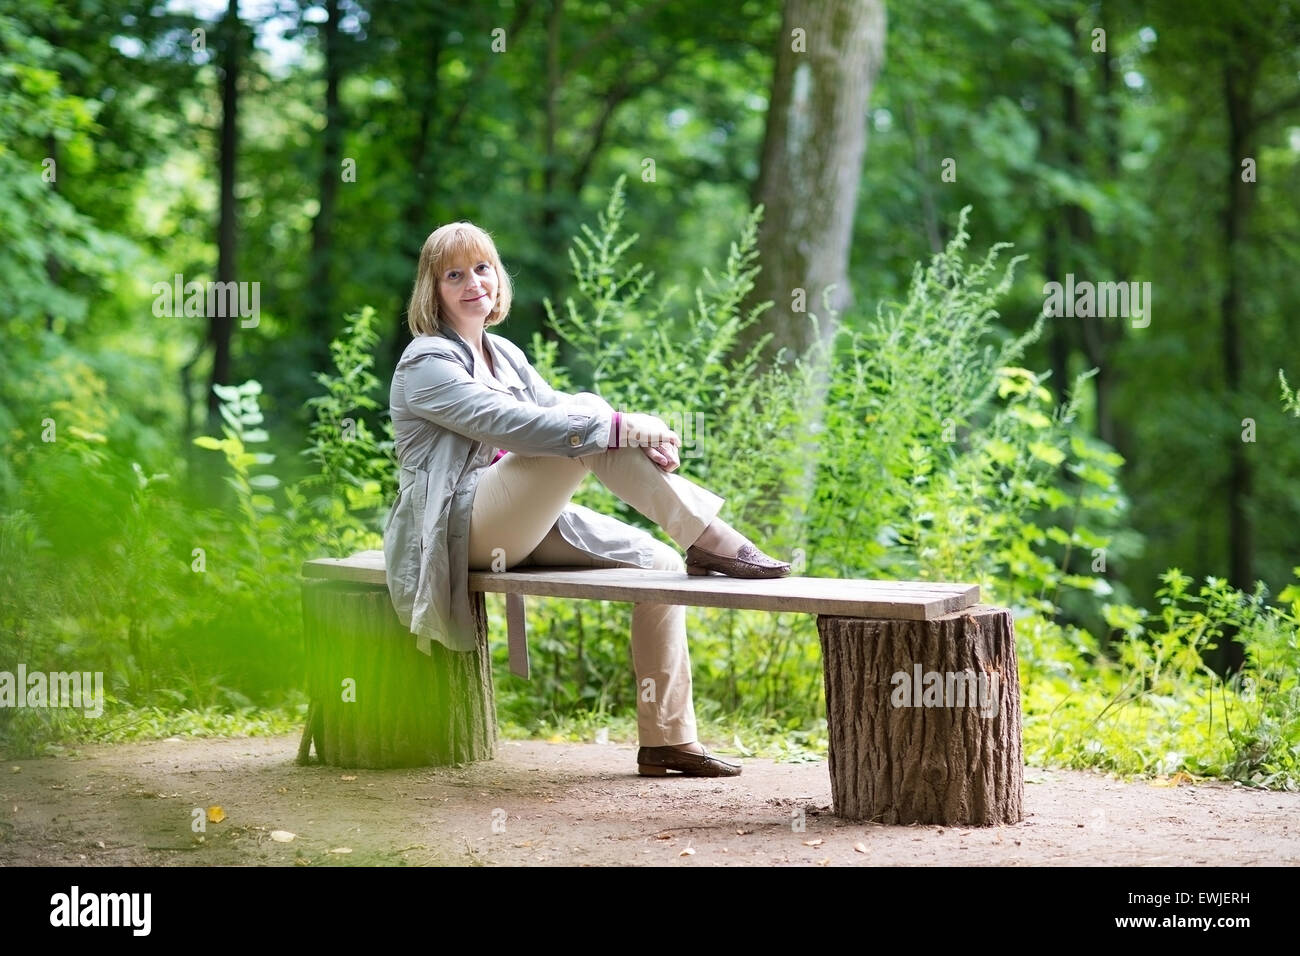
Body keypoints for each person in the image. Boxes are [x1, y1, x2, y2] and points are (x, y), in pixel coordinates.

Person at [384, 221, 790, 778]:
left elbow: (564, 411)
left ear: (498, 277)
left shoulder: (502, 353)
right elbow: (519, 425)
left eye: (482, 268)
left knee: (660, 563)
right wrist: (625, 427)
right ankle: (713, 537)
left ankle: (667, 740)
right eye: (454, 275)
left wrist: (641, 443)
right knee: (588, 424)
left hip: (518, 520)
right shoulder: (426, 362)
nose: (473, 282)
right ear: (434, 292)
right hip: (457, 525)